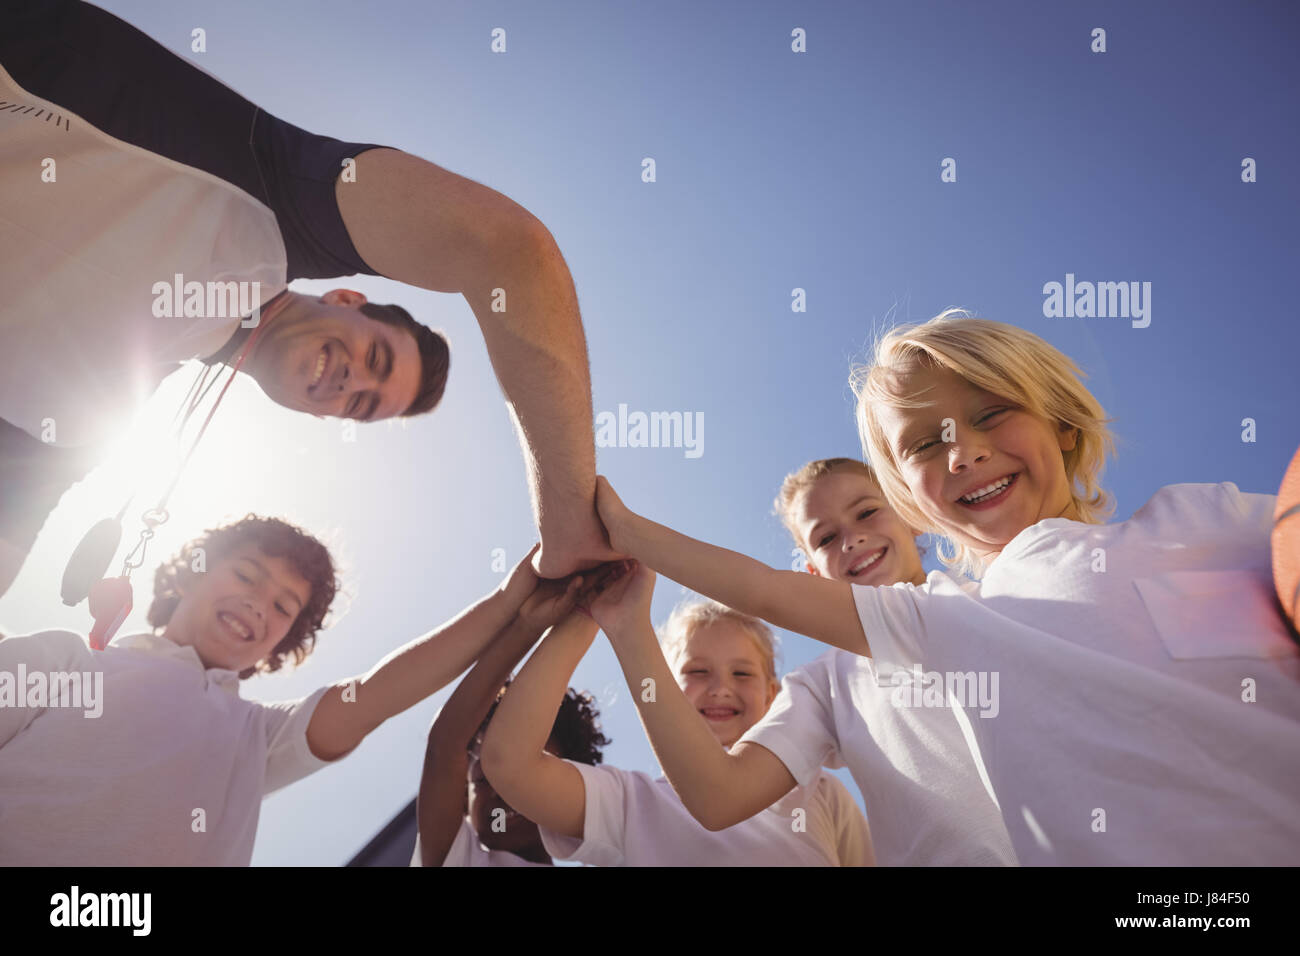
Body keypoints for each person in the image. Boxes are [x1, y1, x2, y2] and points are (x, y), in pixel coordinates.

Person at [592, 311, 1300, 865]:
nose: (965, 450)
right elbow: (759, 604)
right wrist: (621, 552)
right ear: (916, 497)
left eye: (992, 412)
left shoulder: (1205, 518)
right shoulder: (913, 636)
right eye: (927, 444)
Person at [0, 0, 613, 598]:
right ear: (347, 298)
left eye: (360, 407)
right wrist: (568, 522)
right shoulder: (276, 198)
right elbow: (505, 249)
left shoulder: (89, 411)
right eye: (376, 358)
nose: (349, 384)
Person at [0, 521, 574, 865]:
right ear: (187, 574)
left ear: (280, 645)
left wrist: (508, 602)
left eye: (283, 607)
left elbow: (374, 695)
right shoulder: (68, 659)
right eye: (247, 576)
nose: (258, 604)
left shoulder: (261, 737)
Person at [481, 575, 874, 866]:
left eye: (742, 674)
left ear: (772, 695)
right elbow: (510, 763)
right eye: (697, 672)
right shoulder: (628, 803)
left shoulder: (818, 792)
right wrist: (590, 612)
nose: (721, 688)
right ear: (664, 690)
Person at [413, 562, 614, 867]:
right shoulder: (457, 858)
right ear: (463, 805)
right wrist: (527, 626)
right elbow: (445, 744)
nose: (500, 789)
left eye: (523, 769)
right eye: (481, 780)